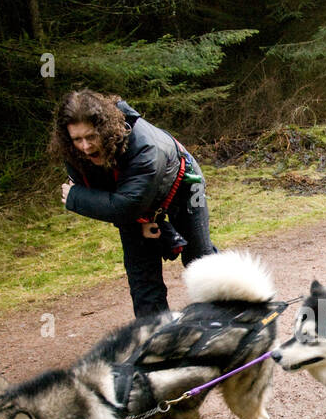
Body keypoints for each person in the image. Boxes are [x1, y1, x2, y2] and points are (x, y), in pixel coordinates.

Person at [52, 89, 216, 317]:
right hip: (135, 203)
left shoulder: (145, 147)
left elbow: (125, 205)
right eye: (77, 139)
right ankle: (156, 339)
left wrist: (75, 197)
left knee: (199, 260)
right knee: (142, 274)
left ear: (106, 129)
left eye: (91, 137)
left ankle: (229, 317)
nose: (86, 146)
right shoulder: (75, 154)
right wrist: (137, 222)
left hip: (183, 185)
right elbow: (109, 202)